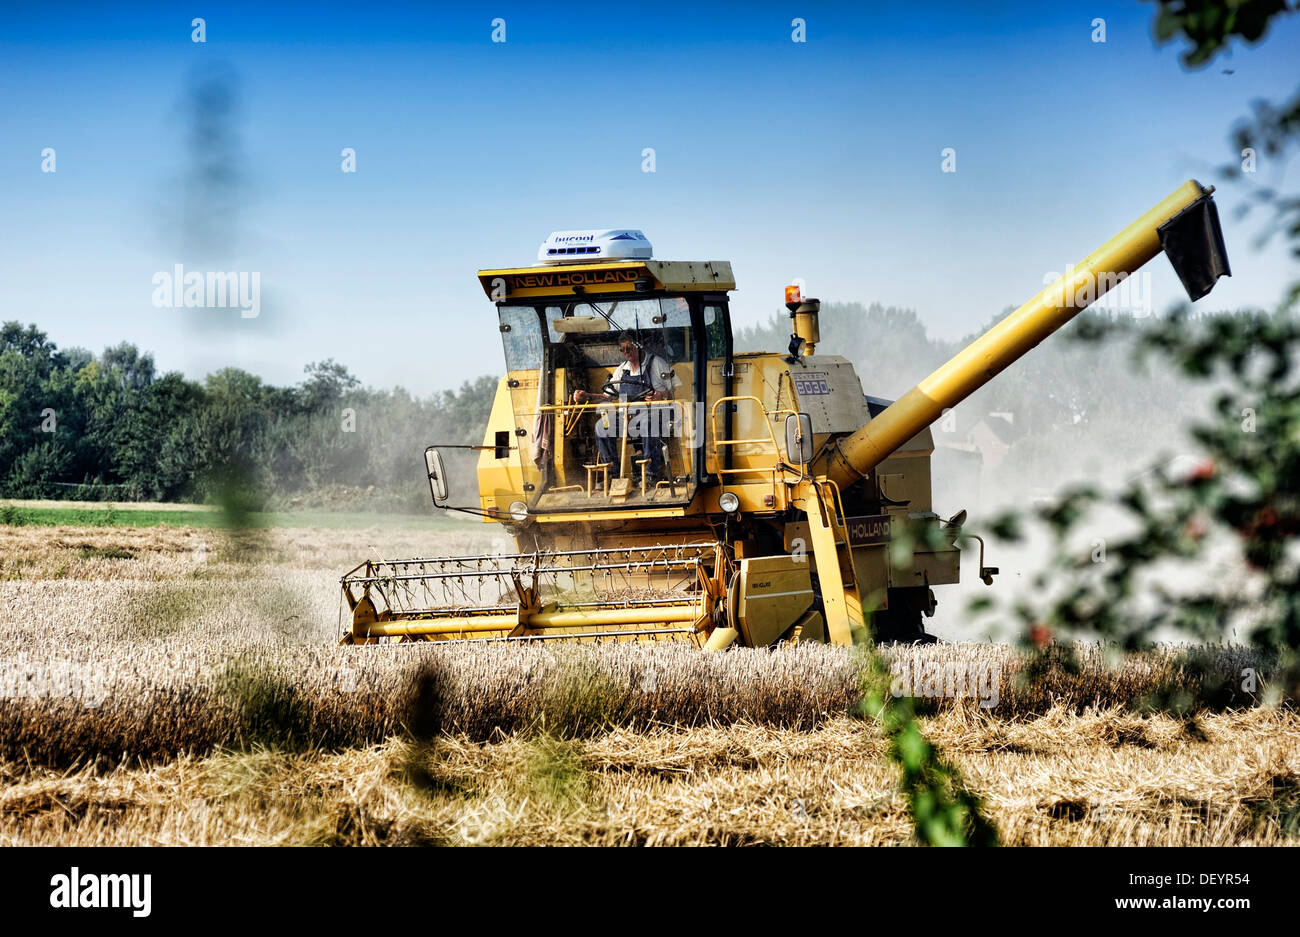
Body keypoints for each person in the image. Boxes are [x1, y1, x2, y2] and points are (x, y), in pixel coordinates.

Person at [573, 333, 672, 485]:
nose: (626, 352)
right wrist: (587, 396)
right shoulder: (622, 370)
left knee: (647, 422)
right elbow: (608, 396)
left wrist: (661, 395)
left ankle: (651, 474)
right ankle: (612, 475)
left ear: (639, 346)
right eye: (623, 350)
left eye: (629, 348)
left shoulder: (657, 364)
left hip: (655, 415)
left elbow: (675, 391)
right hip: (628, 416)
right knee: (602, 426)